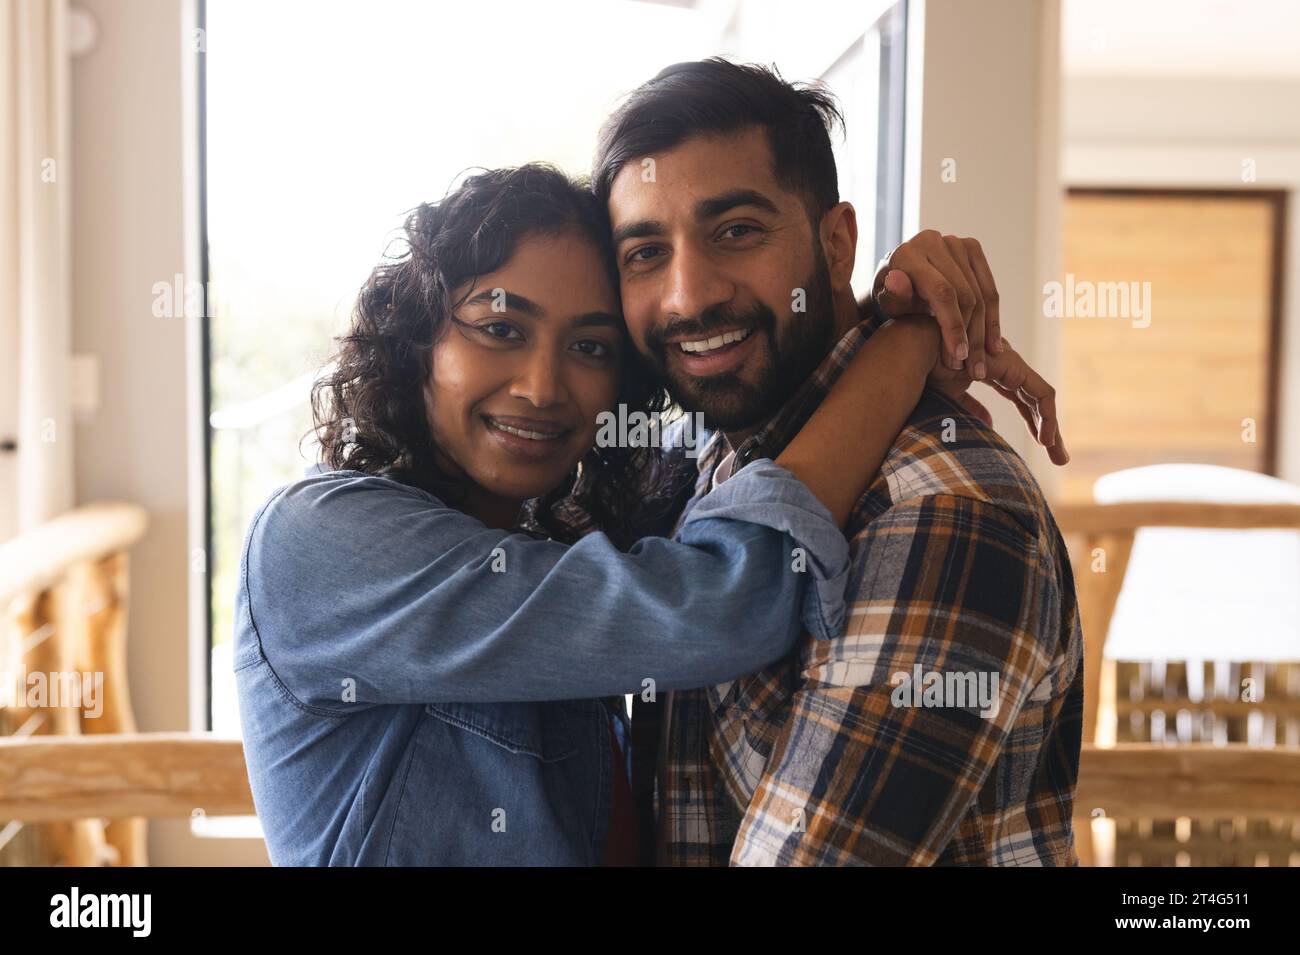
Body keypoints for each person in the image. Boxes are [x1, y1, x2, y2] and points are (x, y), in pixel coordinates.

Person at [233, 160, 1058, 865]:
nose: (544, 386)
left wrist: (899, 293)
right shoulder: (317, 543)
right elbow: (732, 594)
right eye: (499, 327)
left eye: (591, 346)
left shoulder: (586, 521)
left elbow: (748, 430)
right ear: (419, 341)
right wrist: (905, 341)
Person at [593, 58, 1083, 865]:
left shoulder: (944, 503)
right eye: (646, 252)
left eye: (736, 231)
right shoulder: (689, 463)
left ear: (837, 242)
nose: (687, 295)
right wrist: (909, 332)